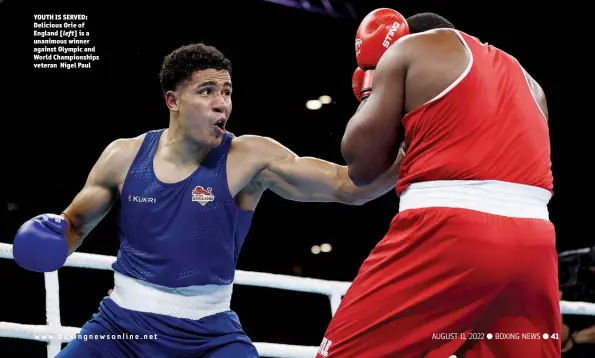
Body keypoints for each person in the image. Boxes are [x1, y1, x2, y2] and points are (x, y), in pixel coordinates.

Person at [11, 43, 402, 357]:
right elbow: (75, 225)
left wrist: (402, 128)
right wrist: (54, 237)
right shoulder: (123, 157)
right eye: (207, 91)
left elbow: (349, 187)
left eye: (227, 92)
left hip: (209, 336)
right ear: (172, 100)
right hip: (120, 329)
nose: (223, 103)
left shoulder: (250, 158)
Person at [316, 9, 558, 358]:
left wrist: (372, 87)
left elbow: (362, 164)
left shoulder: (407, 49)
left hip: (450, 233)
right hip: (535, 246)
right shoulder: (529, 82)